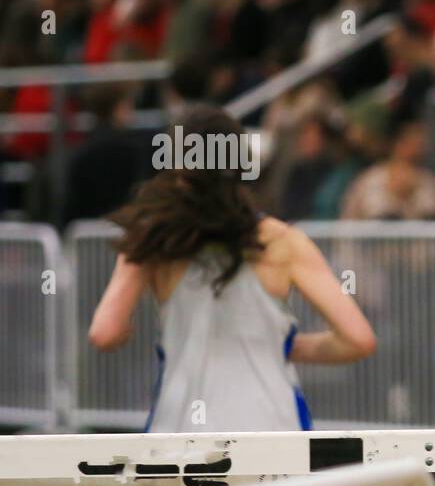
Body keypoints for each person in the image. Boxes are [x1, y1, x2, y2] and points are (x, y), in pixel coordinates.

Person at [88, 107, 377, 432]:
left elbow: (104, 332)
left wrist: (127, 331)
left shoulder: (152, 238)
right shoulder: (284, 240)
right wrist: (285, 345)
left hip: (181, 430)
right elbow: (358, 339)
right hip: (271, 427)